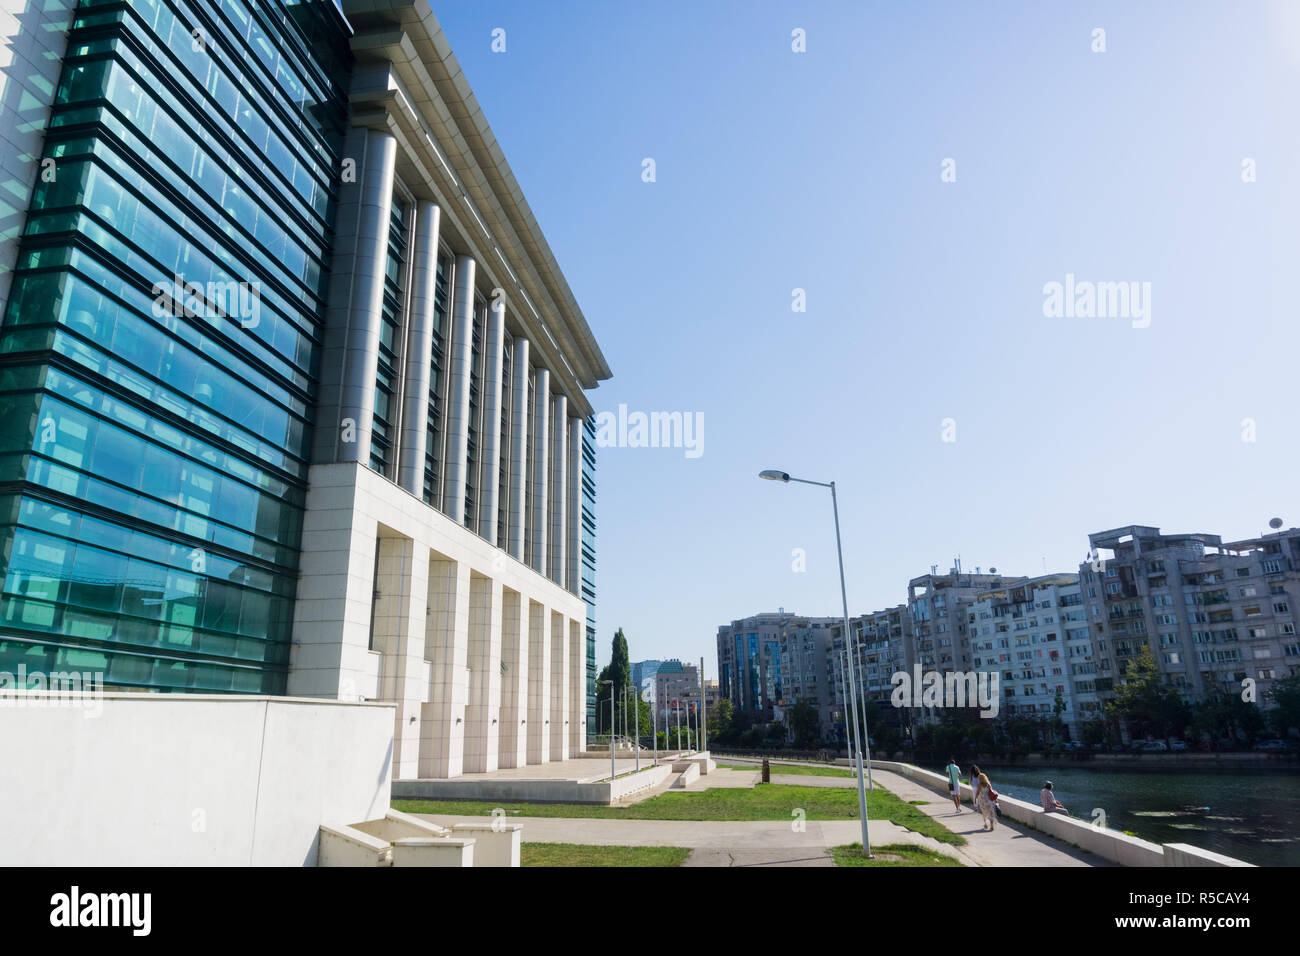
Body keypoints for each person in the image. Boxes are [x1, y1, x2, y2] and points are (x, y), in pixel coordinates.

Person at [972, 764, 997, 830]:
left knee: (984, 813)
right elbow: (991, 791)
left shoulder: (980, 784)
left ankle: (986, 824)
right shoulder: (988, 784)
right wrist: (995, 800)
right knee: (991, 812)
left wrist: (975, 799)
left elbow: (977, 793)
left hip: (982, 801)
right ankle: (991, 826)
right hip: (989, 800)